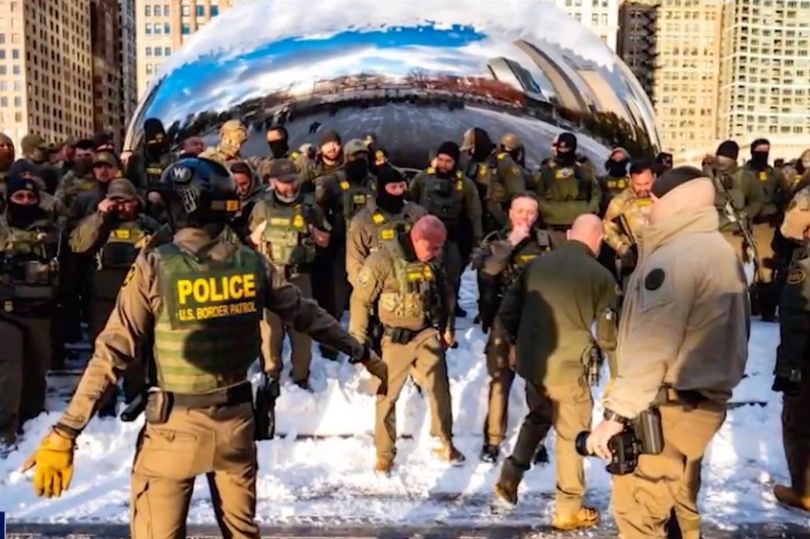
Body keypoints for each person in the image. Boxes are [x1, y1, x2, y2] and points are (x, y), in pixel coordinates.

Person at [21, 157, 379, 538]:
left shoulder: (156, 265)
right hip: (236, 427)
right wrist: (359, 351)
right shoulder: (251, 262)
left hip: (174, 430)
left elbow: (113, 352)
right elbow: (305, 312)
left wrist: (67, 429)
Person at [586, 167, 749, 539]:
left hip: (664, 408)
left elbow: (651, 345)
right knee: (681, 505)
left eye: (655, 201)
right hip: (700, 404)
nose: (646, 210)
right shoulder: (718, 250)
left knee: (639, 515)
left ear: (675, 203)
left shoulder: (673, 260)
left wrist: (616, 415)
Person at [493, 214, 617, 531]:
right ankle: (568, 507)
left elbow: (507, 312)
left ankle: (510, 476)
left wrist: (520, 347)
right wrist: (617, 380)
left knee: (538, 416)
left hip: (535, 366)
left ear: (569, 233)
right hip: (571, 369)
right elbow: (608, 336)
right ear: (598, 239)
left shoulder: (536, 265)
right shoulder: (601, 276)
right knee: (571, 435)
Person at [350, 215, 464, 473]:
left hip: (425, 333)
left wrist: (447, 327)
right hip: (394, 339)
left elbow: (444, 293)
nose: (436, 253)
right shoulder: (382, 260)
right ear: (416, 238)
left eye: (439, 248)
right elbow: (360, 300)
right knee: (386, 396)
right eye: (432, 248)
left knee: (439, 387)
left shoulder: (433, 260)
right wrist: (358, 339)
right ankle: (384, 452)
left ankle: (444, 440)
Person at [473, 194, 555, 463]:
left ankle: (536, 441)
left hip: (536, 323)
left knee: (537, 385)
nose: (525, 217)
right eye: (520, 211)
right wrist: (511, 243)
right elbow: (489, 270)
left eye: (530, 213)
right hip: (503, 321)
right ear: (510, 213)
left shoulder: (546, 242)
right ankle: (493, 441)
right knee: (500, 382)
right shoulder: (496, 240)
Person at [68, 179, 160, 417]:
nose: (120, 207)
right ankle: (103, 404)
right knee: (103, 352)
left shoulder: (148, 225)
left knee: (137, 354)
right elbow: (78, 246)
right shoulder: (98, 225)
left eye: (125, 202)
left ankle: (135, 400)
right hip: (102, 299)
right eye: (115, 201)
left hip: (138, 299)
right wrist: (100, 215)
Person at [249, 159, 331, 389]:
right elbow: (250, 242)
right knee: (270, 330)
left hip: (299, 276)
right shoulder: (262, 207)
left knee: (301, 330)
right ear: (273, 183)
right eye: (284, 182)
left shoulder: (309, 206)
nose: (290, 186)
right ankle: (271, 373)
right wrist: (259, 232)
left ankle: (301, 376)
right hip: (270, 275)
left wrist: (312, 231)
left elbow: (326, 240)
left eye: (293, 180)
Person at [0, 174, 59, 448]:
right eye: (19, 197)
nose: (25, 202)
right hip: (6, 311)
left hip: (40, 309)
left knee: (37, 368)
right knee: (10, 369)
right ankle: (5, 429)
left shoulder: (50, 232)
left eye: (30, 197)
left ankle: (33, 424)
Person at [410, 141, 483, 317]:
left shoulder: (465, 184)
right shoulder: (422, 179)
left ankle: (451, 306)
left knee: (452, 274)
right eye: (440, 159)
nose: (443, 164)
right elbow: (410, 202)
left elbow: (474, 213)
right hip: (425, 236)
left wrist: (477, 239)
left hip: (451, 236)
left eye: (448, 161)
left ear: (455, 162)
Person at [315, 139, 376, 345]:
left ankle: (368, 334)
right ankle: (331, 340)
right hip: (340, 247)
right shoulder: (332, 182)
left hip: (368, 249)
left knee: (368, 292)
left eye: (363, 157)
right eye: (354, 157)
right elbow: (318, 210)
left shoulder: (374, 182)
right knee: (335, 297)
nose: (359, 161)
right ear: (346, 158)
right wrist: (326, 233)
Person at [772, 183, 810, 513]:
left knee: (797, 420)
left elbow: (797, 315)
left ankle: (804, 490)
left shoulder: (806, 264)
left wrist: (789, 364)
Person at [347, 165, 426, 288]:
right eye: (393, 187)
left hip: (414, 287)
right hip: (380, 290)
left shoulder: (417, 214)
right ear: (382, 189)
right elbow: (354, 263)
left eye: (401, 186)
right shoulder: (362, 221)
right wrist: (365, 290)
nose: (399, 191)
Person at [742, 138, 788, 321]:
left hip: (765, 226)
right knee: (743, 267)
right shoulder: (742, 174)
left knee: (765, 269)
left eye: (766, 151)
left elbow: (785, 194)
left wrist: (777, 210)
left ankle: (766, 309)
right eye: (760, 151)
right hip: (743, 224)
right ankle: (751, 304)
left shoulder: (774, 174)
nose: (763, 155)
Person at [534, 132, 602, 245]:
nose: (563, 151)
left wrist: (590, 210)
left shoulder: (583, 169)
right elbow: (538, 193)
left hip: (579, 220)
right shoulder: (547, 169)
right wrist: (545, 210)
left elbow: (595, 191)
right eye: (561, 148)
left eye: (567, 148)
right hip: (553, 221)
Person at [706, 140, 763, 263]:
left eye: (728, 156)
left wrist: (744, 214)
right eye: (721, 154)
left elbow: (757, 200)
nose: (723, 159)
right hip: (709, 234)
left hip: (735, 234)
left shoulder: (746, 177)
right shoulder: (706, 176)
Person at [460, 127, 525, 233]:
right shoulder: (474, 163)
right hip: (478, 218)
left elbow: (519, 194)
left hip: (496, 221)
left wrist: (511, 226)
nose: (470, 153)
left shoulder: (503, 162)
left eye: (472, 148)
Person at [602, 159, 655, 281]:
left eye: (646, 183)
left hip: (659, 257)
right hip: (632, 263)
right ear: (631, 180)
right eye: (638, 184)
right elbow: (607, 228)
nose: (643, 189)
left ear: (654, 177)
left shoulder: (661, 197)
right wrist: (622, 248)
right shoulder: (619, 202)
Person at [126, 118, 177, 190]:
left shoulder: (173, 158)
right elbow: (130, 187)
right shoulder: (137, 159)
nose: (157, 143)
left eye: (160, 141)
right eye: (153, 141)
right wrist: (147, 195)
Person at [55, 139, 97, 212]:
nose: (83, 158)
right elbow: (58, 199)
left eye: (87, 155)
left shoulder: (100, 174)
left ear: (95, 155)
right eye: (79, 155)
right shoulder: (69, 176)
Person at [228, 161, 264, 242]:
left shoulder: (263, 200)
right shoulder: (227, 199)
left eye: (244, 184)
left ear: (252, 180)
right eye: (236, 185)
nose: (240, 189)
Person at [600, 147, 632, 215]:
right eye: (615, 159)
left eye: (621, 160)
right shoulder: (602, 181)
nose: (617, 162)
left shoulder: (631, 182)